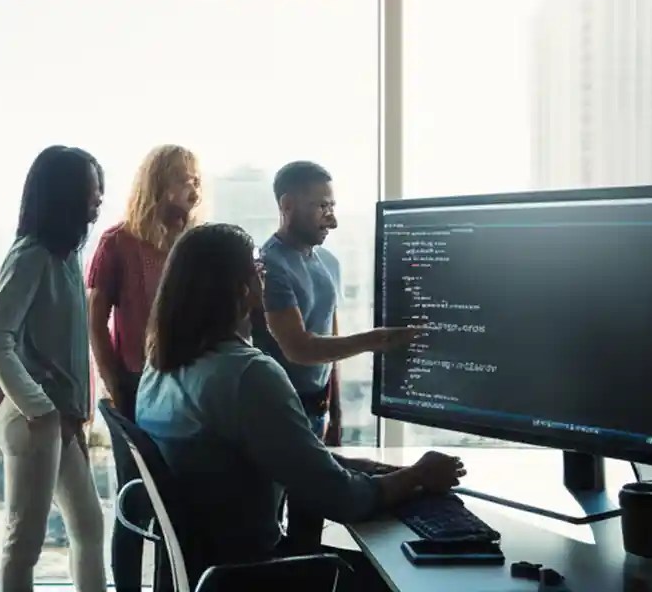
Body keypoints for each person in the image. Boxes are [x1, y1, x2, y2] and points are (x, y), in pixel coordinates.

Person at [135, 223, 465, 584]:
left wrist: (361, 468)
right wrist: (418, 475)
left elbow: (262, 455)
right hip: (256, 576)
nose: (264, 276)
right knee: (414, 577)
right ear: (244, 289)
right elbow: (343, 500)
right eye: (258, 269)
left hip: (206, 573)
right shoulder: (247, 375)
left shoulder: (160, 366)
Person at [251, 161, 421, 551]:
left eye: (333, 206)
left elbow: (331, 337)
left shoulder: (329, 262)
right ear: (288, 205)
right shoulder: (269, 267)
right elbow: (299, 347)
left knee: (310, 525)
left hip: (317, 410)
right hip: (279, 415)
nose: (333, 219)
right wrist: (378, 340)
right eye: (322, 207)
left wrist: (336, 412)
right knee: (268, 528)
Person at [0, 145, 107, 592]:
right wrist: (41, 409)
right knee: (24, 542)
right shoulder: (32, 255)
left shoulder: (65, 256)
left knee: (89, 527)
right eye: (91, 188)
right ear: (65, 194)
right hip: (31, 417)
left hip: (56, 418)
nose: (99, 197)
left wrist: (71, 414)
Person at [87, 144, 201, 592]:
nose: (193, 189)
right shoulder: (117, 242)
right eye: (182, 179)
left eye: (196, 180)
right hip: (135, 385)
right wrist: (115, 384)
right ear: (158, 183)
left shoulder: (195, 243)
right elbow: (95, 321)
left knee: (182, 504)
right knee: (134, 500)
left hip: (188, 388)